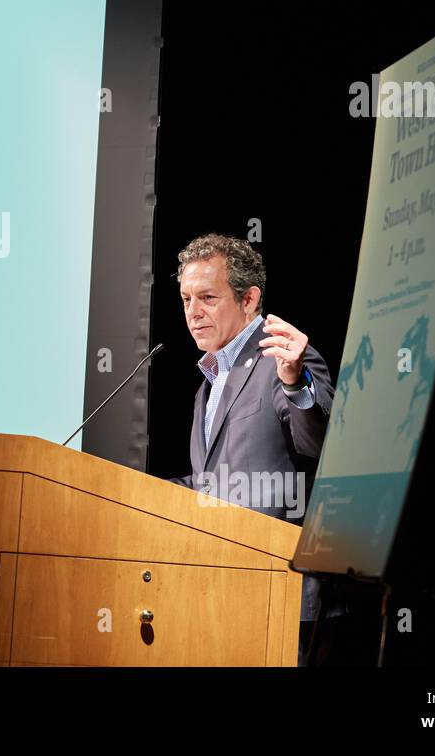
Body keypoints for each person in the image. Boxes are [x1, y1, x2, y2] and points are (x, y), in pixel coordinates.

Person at [167, 233, 343, 663]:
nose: (193, 312)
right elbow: (213, 482)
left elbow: (322, 446)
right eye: (186, 298)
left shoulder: (282, 360)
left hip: (283, 596)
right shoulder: (208, 385)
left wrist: (294, 383)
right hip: (224, 591)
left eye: (207, 297)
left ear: (249, 299)